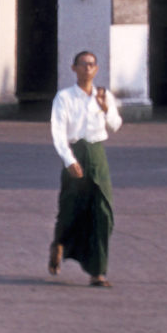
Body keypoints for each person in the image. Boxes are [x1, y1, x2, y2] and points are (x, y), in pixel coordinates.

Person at [49, 50, 123, 287]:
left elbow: (116, 125)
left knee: (103, 212)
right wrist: (69, 160)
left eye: (92, 65)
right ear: (74, 69)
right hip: (76, 152)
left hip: (97, 154)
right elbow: (58, 132)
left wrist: (105, 108)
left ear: (97, 69)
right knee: (71, 209)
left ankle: (98, 272)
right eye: (83, 65)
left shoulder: (103, 96)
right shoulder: (64, 97)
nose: (88, 69)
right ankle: (59, 244)